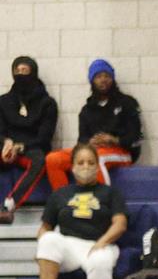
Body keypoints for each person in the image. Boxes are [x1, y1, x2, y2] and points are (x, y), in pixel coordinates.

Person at [35, 144, 127, 279]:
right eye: (81, 162)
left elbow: (120, 224)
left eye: (91, 163)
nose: (86, 167)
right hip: (68, 246)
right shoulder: (59, 194)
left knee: (99, 261)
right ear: (72, 166)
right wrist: (42, 251)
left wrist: (102, 242)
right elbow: (45, 227)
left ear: (98, 166)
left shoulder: (110, 193)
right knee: (48, 240)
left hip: (99, 243)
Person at [46, 59, 141, 191]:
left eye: (107, 76)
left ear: (112, 79)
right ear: (92, 81)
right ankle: (64, 204)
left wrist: (114, 140)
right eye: (98, 76)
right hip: (93, 150)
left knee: (96, 158)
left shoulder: (127, 103)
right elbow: (82, 140)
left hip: (122, 151)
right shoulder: (87, 109)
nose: (103, 80)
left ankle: (104, 205)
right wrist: (90, 143)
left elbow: (135, 137)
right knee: (53, 159)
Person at [0, 55, 58, 222]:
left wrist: (20, 147)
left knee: (40, 159)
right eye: (17, 71)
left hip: (31, 149)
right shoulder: (3, 101)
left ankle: (9, 206)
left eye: (25, 71)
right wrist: (6, 142)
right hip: (6, 148)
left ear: (34, 73)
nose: (20, 75)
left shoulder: (47, 103)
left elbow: (44, 138)